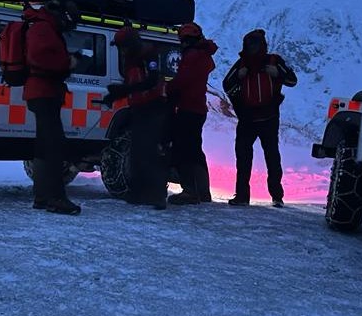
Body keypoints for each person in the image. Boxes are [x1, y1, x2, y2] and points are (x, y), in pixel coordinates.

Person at [222, 29, 297, 207]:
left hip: (259, 118)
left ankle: (267, 196)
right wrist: (277, 74)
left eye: (254, 44)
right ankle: (260, 196)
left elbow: (292, 80)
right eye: (250, 45)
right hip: (258, 118)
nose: (252, 48)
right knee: (259, 156)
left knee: (262, 157)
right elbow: (227, 84)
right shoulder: (248, 64)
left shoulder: (266, 62)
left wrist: (277, 74)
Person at [23, 0, 81, 216]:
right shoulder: (43, 28)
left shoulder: (41, 26)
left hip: (42, 92)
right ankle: (56, 198)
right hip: (44, 92)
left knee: (45, 146)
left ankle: (43, 197)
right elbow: (40, 57)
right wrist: (68, 63)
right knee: (53, 146)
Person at [104, 27, 169, 210]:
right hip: (139, 107)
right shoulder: (130, 59)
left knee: (150, 151)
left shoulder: (149, 56)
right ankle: (139, 193)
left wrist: (124, 91)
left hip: (154, 107)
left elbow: (151, 81)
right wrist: (114, 96)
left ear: (131, 44)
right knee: (138, 151)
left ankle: (157, 195)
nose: (121, 50)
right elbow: (131, 84)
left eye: (123, 46)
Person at [166, 22, 217, 205]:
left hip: (187, 107)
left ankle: (190, 191)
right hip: (198, 108)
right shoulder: (203, 56)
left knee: (184, 149)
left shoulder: (192, 56)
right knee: (195, 150)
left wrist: (166, 87)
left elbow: (182, 80)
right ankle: (203, 191)